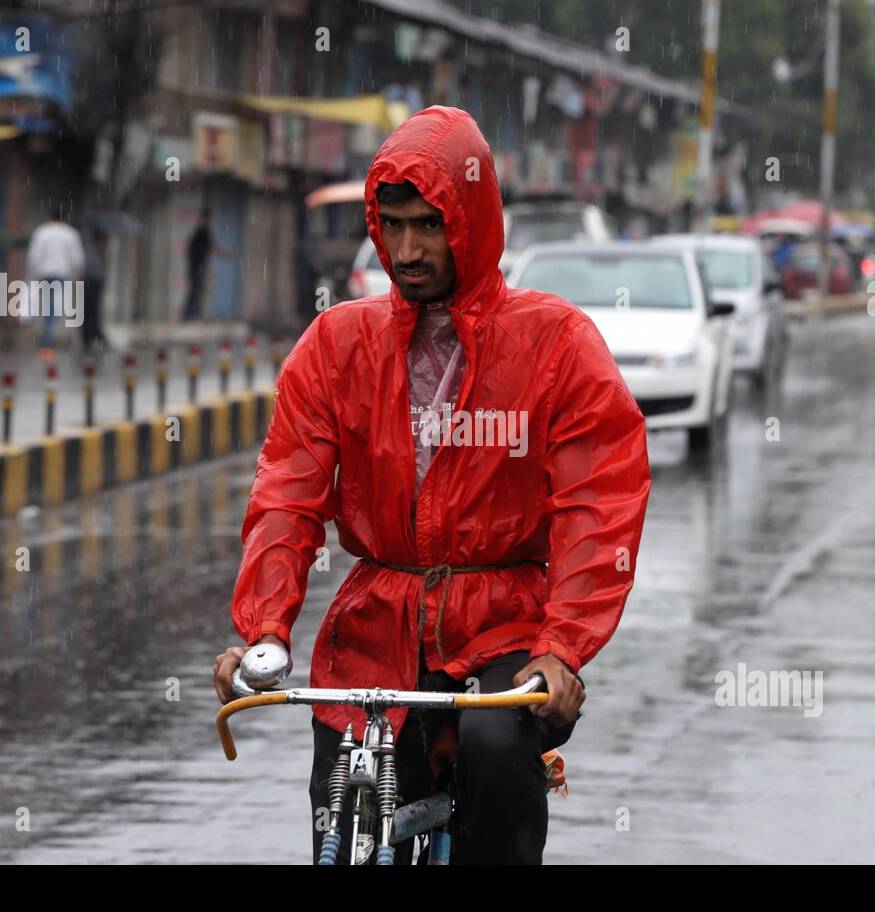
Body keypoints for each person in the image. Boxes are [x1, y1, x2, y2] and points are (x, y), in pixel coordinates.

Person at [214, 106, 651, 865]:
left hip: (505, 629)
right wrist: (263, 630)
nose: (407, 250)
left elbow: (598, 501)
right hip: (374, 627)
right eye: (392, 226)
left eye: (428, 226)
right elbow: (287, 492)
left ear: (471, 224)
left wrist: (563, 648)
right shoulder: (336, 344)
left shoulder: (555, 343)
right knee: (341, 809)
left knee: (493, 742)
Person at [24, 206, 85, 360]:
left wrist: (32, 273)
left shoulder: (41, 232)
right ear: (63, 218)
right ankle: (48, 339)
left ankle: (46, 337)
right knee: (54, 306)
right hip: (60, 273)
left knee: (46, 305)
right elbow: (77, 258)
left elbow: (34, 256)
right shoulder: (70, 234)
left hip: (44, 273)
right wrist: (77, 272)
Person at [81, 227, 108, 354]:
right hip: (92, 281)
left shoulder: (95, 250)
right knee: (91, 310)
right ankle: (92, 337)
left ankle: (92, 337)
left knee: (90, 310)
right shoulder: (93, 251)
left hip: (91, 281)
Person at [182, 209, 213, 322]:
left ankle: (191, 314)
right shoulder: (200, 233)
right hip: (197, 267)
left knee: (197, 291)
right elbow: (211, 248)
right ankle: (190, 314)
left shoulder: (202, 233)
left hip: (197, 267)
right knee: (196, 291)